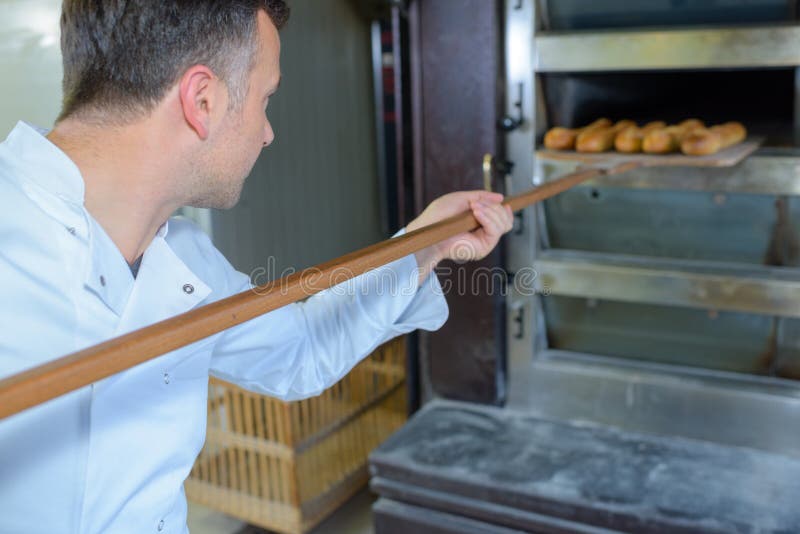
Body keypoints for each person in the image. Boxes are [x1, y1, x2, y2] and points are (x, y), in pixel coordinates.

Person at [0, 1, 514, 533]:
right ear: (202, 100)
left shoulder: (184, 259)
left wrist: (424, 243)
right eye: (265, 99)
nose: (267, 133)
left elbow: (300, 350)